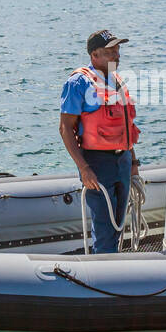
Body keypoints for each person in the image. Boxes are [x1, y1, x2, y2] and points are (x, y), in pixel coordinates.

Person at [59, 29, 141, 253]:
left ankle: (113, 269)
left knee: (118, 225)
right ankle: (105, 278)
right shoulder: (78, 83)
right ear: (94, 55)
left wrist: (133, 162)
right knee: (105, 230)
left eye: (117, 50)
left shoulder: (116, 80)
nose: (116, 55)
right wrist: (84, 169)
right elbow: (65, 128)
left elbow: (126, 126)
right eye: (110, 52)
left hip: (122, 161)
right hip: (97, 163)